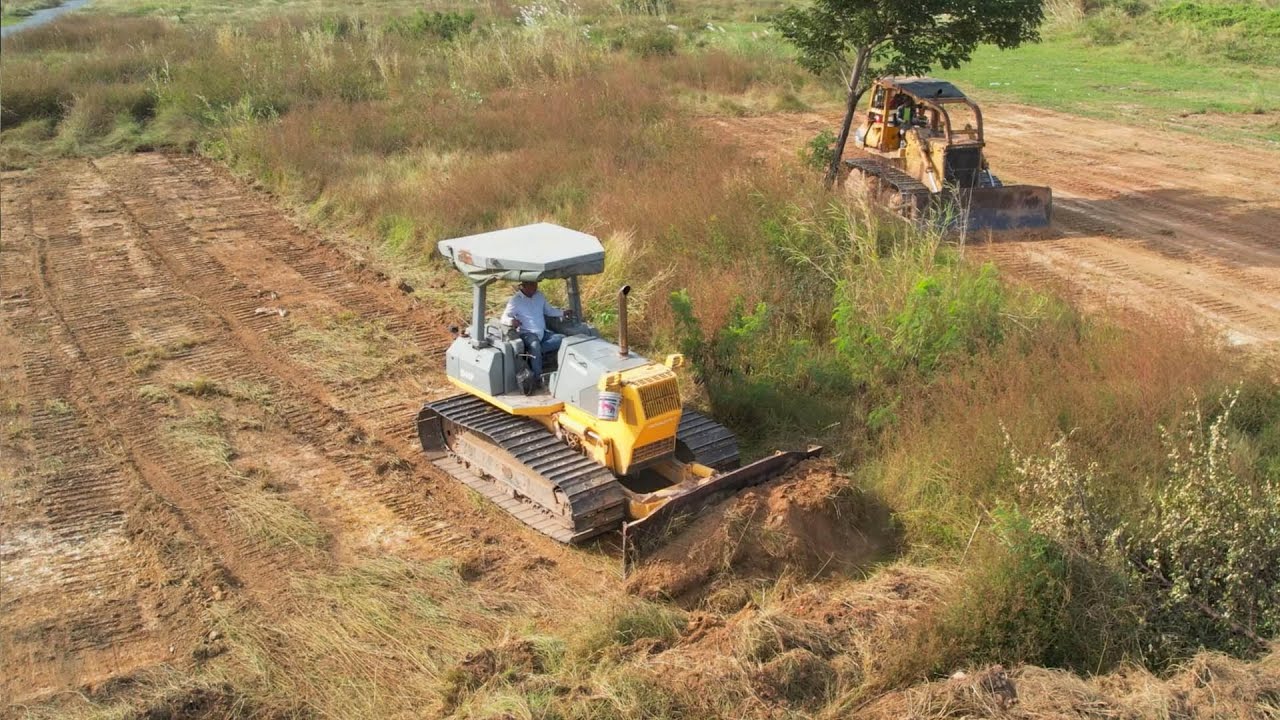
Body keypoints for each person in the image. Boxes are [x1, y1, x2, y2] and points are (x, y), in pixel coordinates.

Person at [500, 280, 567, 384]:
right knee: (535, 345)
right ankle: (537, 378)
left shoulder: (539, 296)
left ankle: (558, 370)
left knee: (563, 339)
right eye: (532, 285)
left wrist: (563, 313)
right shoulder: (515, 300)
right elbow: (504, 317)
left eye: (536, 284)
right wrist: (511, 321)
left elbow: (549, 311)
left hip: (543, 332)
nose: (535, 287)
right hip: (527, 333)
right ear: (524, 286)